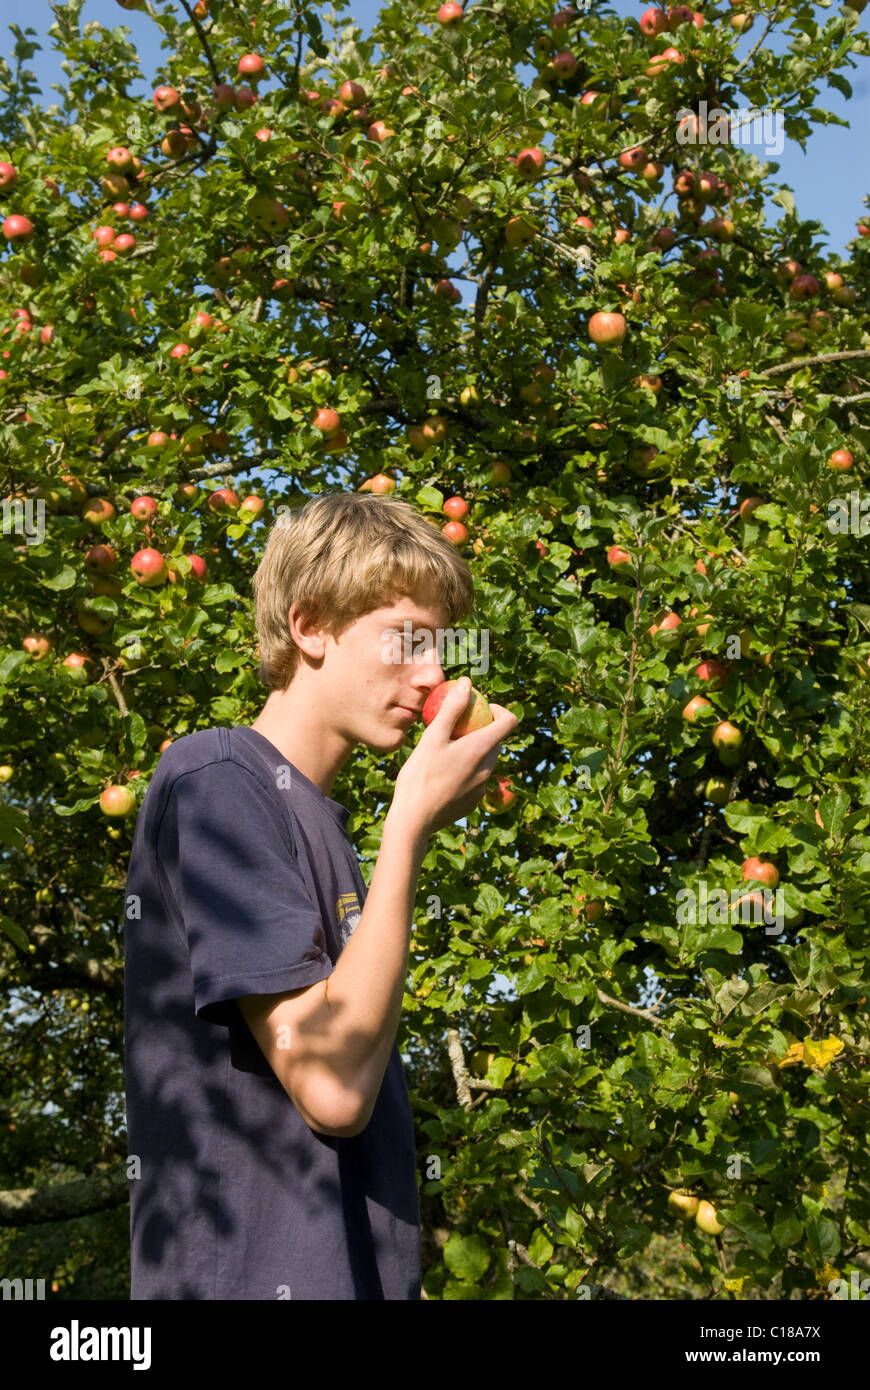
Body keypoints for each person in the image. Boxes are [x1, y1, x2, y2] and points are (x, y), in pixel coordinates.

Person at [124, 491, 518, 1299]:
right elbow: (333, 1090)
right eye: (406, 641)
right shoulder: (217, 780)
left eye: (440, 650)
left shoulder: (320, 827)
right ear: (309, 628)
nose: (433, 676)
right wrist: (409, 825)